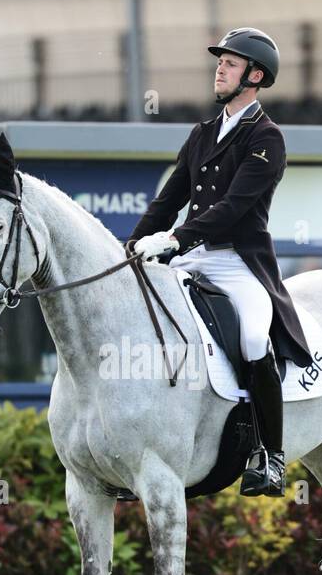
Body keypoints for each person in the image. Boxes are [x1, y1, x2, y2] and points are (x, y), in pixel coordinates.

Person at [125, 27, 309, 498]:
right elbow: (167, 202)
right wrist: (131, 247)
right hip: (192, 258)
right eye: (220, 62)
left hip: (237, 262)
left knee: (251, 337)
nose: (219, 68)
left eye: (230, 63)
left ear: (255, 75)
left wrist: (175, 241)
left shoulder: (267, 137)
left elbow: (234, 206)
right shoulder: (203, 133)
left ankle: (270, 455)